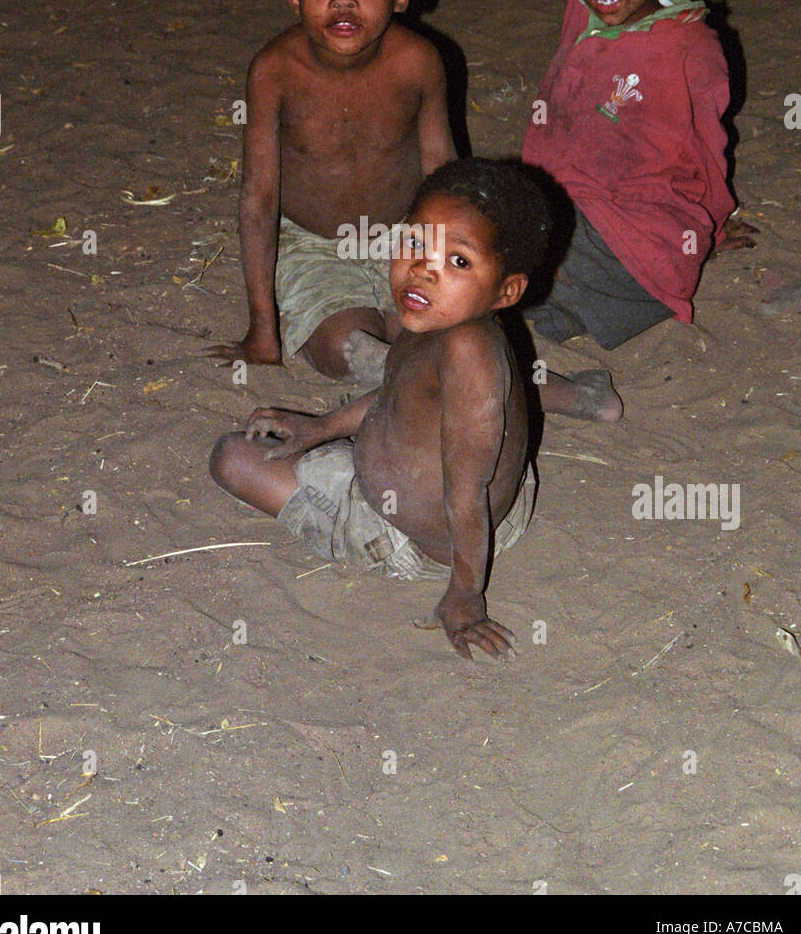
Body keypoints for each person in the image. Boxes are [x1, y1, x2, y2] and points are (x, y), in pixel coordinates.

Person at [210, 159, 550, 661]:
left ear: (508, 291)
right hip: (468, 508)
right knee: (297, 439)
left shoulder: (469, 353)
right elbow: (399, 392)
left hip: (416, 538)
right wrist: (319, 429)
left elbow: (467, 490)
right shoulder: (438, 323)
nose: (423, 269)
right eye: (415, 244)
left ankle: (434, 563)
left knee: (231, 458)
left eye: (457, 262)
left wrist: (465, 596)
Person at [210, 0, 456, 380]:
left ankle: (421, 373)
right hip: (312, 242)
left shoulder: (418, 63)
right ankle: (410, 379)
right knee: (344, 346)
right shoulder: (274, 71)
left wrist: (445, 262)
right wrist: (263, 328)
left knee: (426, 329)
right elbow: (259, 198)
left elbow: (443, 172)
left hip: (402, 234)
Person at [522, 0, 735, 366]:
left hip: (633, 248)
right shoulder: (587, 8)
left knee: (509, 250)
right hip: (579, 217)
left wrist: (711, 228)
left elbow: (709, 146)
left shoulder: (687, 49)